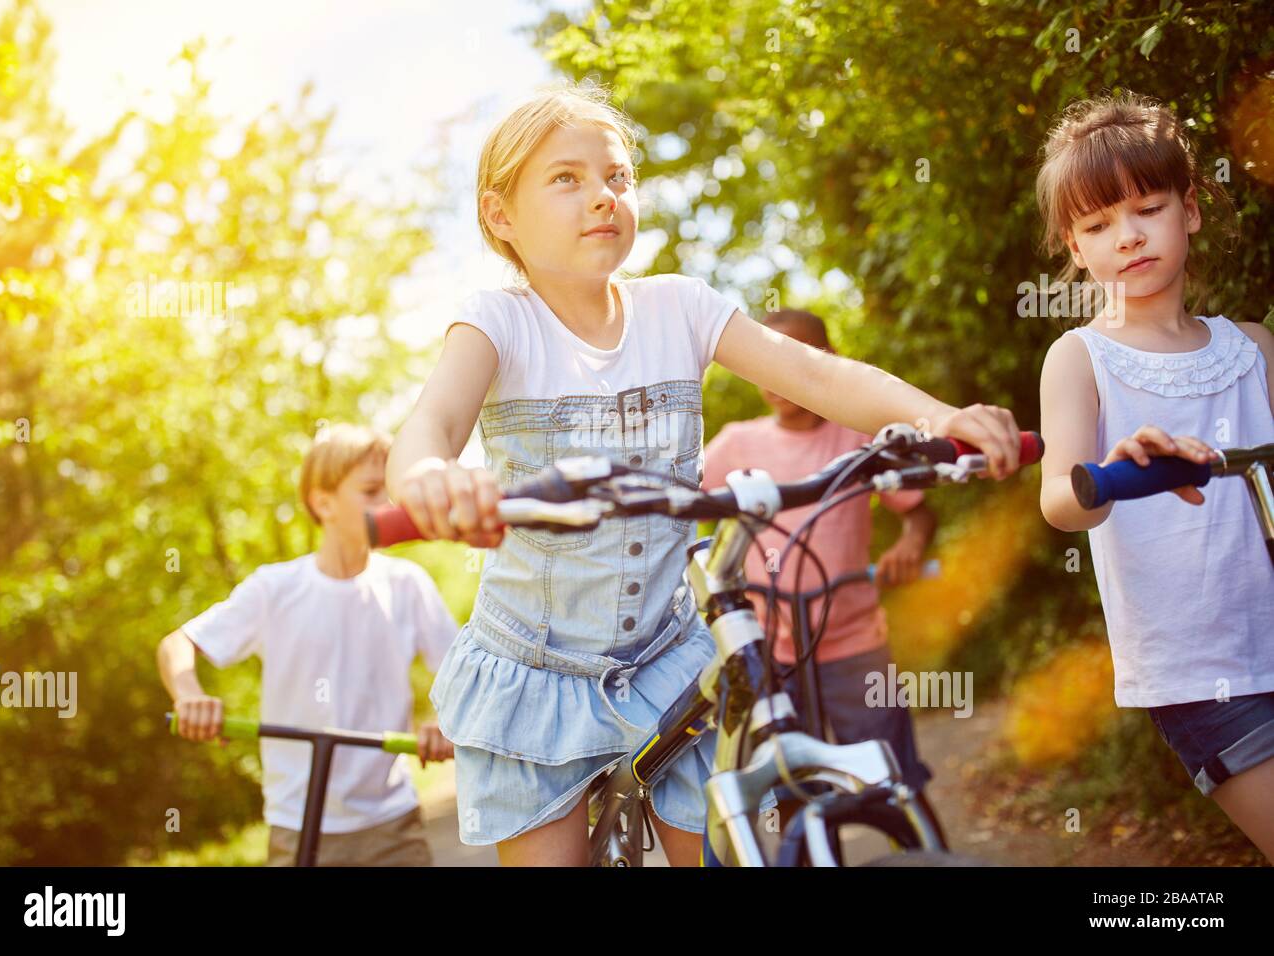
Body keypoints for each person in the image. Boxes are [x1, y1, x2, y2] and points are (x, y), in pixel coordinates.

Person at [387, 80, 1025, 867]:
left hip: (666, 658)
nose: (602, 196)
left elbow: (816, 376)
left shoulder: (679, 307)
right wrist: (427, 475)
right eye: (568, 178)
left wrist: (939, 418)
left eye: (617, 176)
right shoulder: (496, 322)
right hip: (536, 676)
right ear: (500, 215)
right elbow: (433, 424)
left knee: (725, 849)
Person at [1036, 93, 1274, 859]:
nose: (1128, 237)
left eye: (1147, 207)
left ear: (1190, 211)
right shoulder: (1081, 357)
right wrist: (1110, 472)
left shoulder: (1255, 347)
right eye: (1099, 225)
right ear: (1075, 247)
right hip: (1198, 667)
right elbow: (1060, 504)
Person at [156, 423, 459, 866]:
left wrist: (442, 719)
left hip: (391, 824)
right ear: (323, 502)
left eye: (389, 494)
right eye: (372, 491)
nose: (387, 506)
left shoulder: (406, 585)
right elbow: (178, 643)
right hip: (299, 829)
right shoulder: (274, 589)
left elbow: (459, 669)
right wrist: (190, 695)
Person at [701, 308, 937, 804]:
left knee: (892, 782)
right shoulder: (736, 445)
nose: (777, 377)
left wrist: (909, 544)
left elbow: (917, 511)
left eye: (797, 359)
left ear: (826, 361)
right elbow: (679, 506)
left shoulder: (858, 436)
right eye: (766, 363)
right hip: (769, 650)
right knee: (790, 791)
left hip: (856, 642)